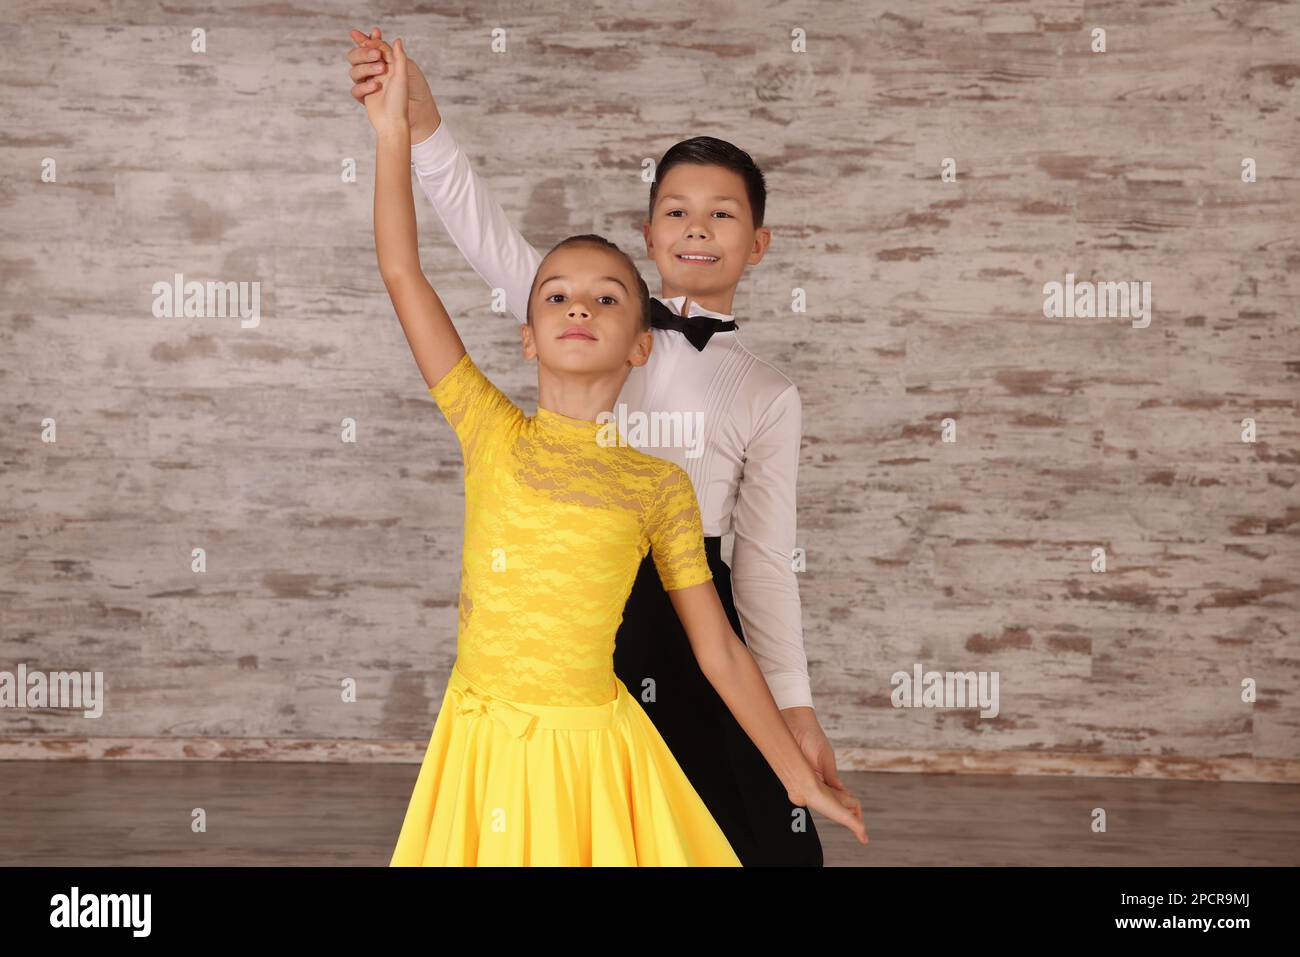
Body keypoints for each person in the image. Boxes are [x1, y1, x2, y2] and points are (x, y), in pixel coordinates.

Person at [347, 27, 857, 866]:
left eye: (722, 213)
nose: (697, 229)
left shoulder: (761, 394)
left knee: (752, 837)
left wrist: (796, 708)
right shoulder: (591, 308)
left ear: (758, 242)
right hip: (590, 620)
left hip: (691, 587)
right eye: (676, 212)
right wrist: (415, 127)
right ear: (648, 233)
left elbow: (763, 563)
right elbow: (452, 248)